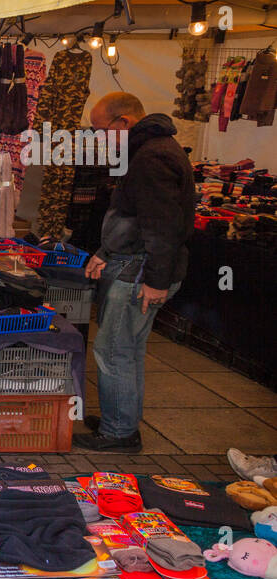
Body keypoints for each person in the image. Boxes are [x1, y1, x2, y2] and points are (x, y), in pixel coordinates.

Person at [74, 92, 194, 453]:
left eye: (100, 130)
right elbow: (132, 217)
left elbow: (162, 226)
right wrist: (104, 252)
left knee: (116, 350)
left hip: (140, 270)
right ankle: (120, 421)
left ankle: (119, 431)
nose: (98, 139)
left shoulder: (152, 157)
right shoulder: (149, 151)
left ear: (123, 123)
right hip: (131, 262)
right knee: (124, 348)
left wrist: (156, 280)